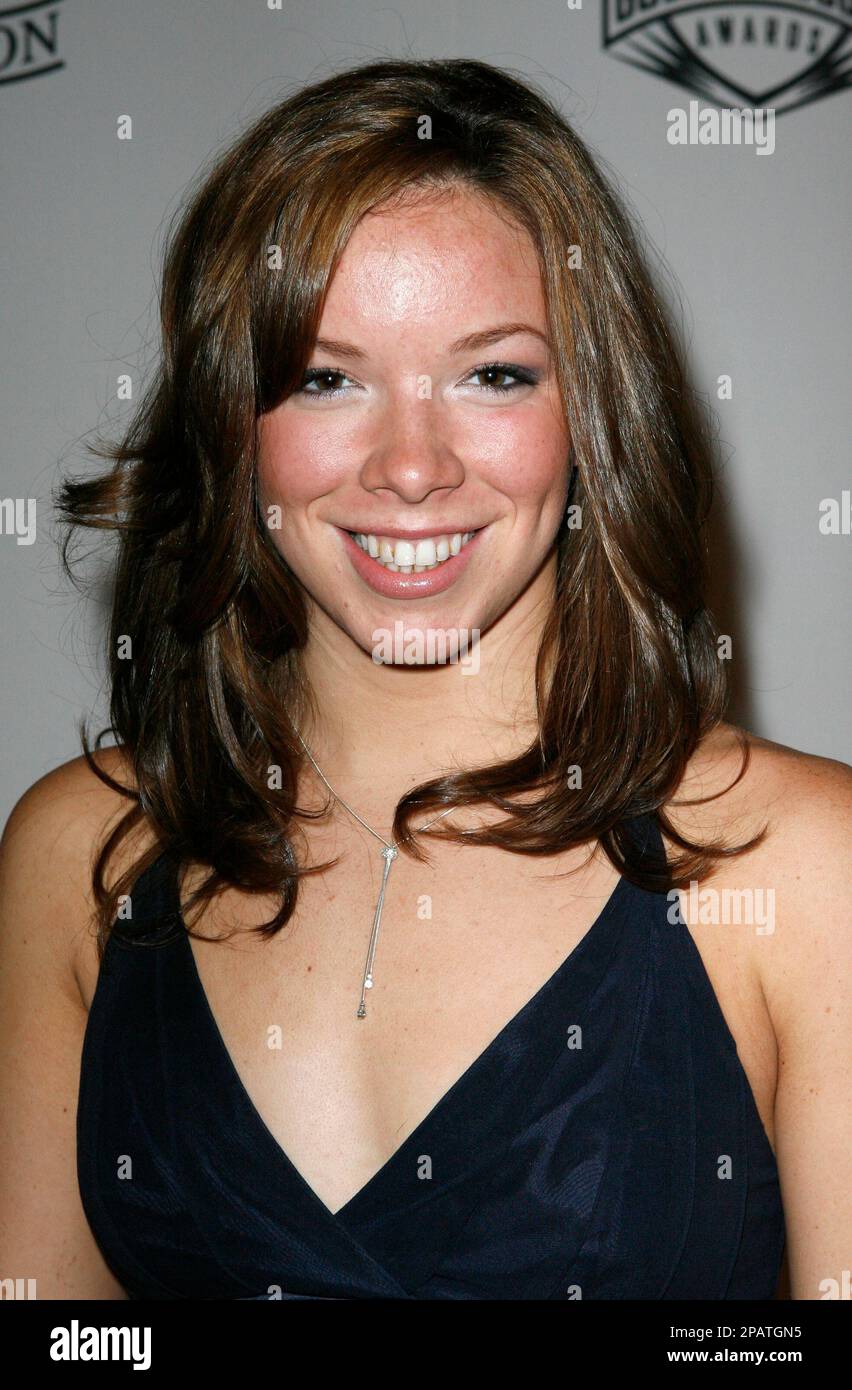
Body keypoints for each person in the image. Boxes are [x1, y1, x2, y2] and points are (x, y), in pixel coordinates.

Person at [0, 57, 849, 1302]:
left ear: (594, 409)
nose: (411, 465)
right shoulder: (85, 851)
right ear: (235, 427)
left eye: (494, 373)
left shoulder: (801, 866)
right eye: (325, 378)